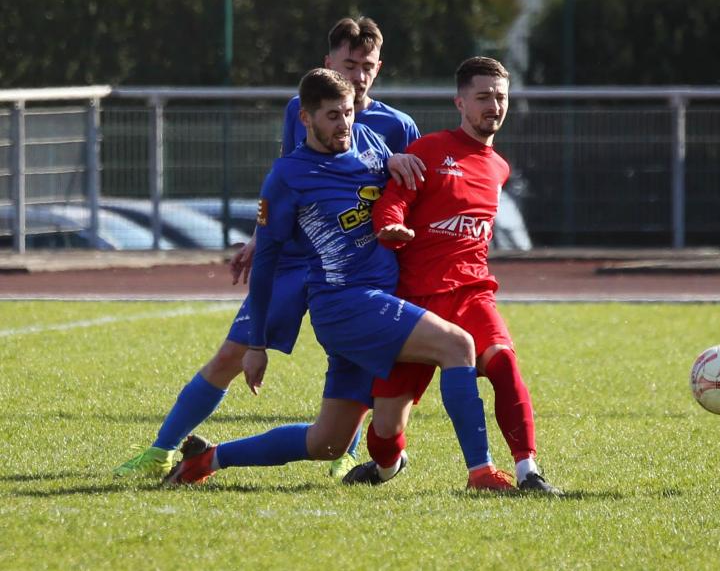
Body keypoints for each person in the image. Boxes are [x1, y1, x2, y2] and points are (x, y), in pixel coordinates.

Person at [164, 68, 510, 491]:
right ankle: (481, 473)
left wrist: (397, 160)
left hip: (378, 304)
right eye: (332, 116)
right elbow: (268, 266)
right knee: (458, 345)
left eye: (348, 113)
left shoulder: (369, 142)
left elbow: (395, 185)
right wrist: (256, 345)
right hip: (344, 304)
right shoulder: (287, 177)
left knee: (328, 443)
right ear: (305, 119)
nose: (344, 124)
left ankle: (208, 459)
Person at [114, 16, 424, 480]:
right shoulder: (301, 109)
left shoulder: (398, 127)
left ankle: (345, 452)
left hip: (356, 271)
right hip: (297, 260)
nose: (359, 76)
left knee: (356, 356)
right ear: (329, 64)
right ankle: (161, 449)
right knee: (232, 354)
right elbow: (287, 179)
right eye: (350, 64)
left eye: (369, 66)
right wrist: (261, 239)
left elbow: (405, 199)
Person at [343, 56, 561, 494]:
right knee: (384, 431)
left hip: (472, 293)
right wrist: (389, 225)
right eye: (483, 97)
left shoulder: (499, 167)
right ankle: (388, 465)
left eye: (500, 97)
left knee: (503, 362)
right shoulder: (429, 149)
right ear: (459, 102)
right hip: (415, 300)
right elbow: (393, 201)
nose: (493, 106)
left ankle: (527, 471)